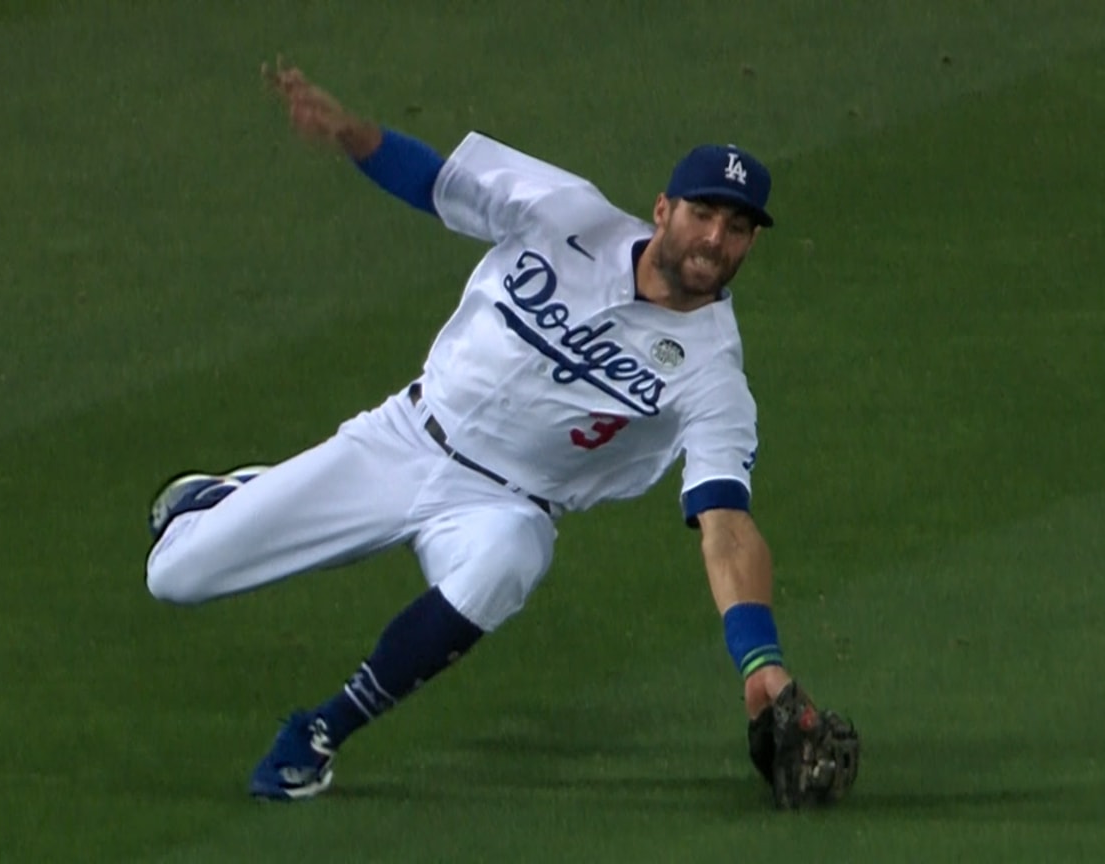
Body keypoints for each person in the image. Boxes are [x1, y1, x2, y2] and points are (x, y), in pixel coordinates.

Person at [144, 57, 818, 802]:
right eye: (703, 213)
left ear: (750, 242)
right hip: (401, 440)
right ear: (662, 210)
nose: (715, 238)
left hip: (504, 505)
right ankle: (238, 494)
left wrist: (760, 659)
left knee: (508, 561)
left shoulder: (713, 373)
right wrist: (346, 132)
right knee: (176, 577)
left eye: (737, 226)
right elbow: (438, 184)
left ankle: (321, 732)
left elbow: (725, 527)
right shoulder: (566, 214)